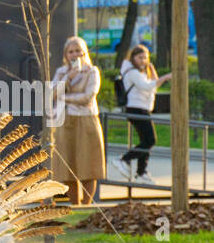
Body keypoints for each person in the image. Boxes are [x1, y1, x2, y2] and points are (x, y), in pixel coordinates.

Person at [50, 36, 106, 205]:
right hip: (64, 121)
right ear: (66, 55)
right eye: (70, 51)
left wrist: (64, 98)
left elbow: (88, 96)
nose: (74, 54)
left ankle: (87, 205)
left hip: (86, 119)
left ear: (84, 52)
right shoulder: (61, 72)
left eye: (78, 51)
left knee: (88, 165)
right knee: (68, 166)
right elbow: (52, 94)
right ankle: (75, 205)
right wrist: (68, 78)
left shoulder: (92, 71)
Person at [113, 43, 171, 185]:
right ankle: (123, 159)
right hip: (135, 109)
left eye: (145, 58)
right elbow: (146, 86)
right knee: (150, 140)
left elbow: (153, 86)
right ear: (132, 58)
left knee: (146, 140)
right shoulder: (132, 72)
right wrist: (166, 77)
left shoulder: (141, 73)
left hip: (143, 109)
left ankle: (141, 172)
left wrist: (152, 70)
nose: (143, 60)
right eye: (140, 57)